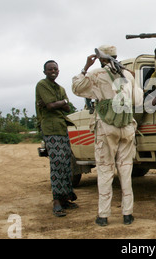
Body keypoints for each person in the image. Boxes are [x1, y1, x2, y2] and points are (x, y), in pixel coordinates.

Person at [72, 45, 137, 226]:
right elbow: (137, 100)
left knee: (105, 170)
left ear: (101, 58)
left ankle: (103, 215)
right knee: (125, 170)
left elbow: (77, 88)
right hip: (127, 126)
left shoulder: (96, 74)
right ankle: (128, 214)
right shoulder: (128, 75)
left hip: (106, 128)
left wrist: (85, 67)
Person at [36, 60, 78, 218]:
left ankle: (66, 198)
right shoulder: (42, 85)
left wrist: (59, 103)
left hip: (61, 126)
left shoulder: (60, 88)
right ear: (45, 71)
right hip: (50, 128)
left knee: (67, 162)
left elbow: (67, 107)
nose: (53, 71)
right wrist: (61, 102)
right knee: (57, 162)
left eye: (55, 68)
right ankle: (57, 201)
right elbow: (50, 106)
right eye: (50, 69)